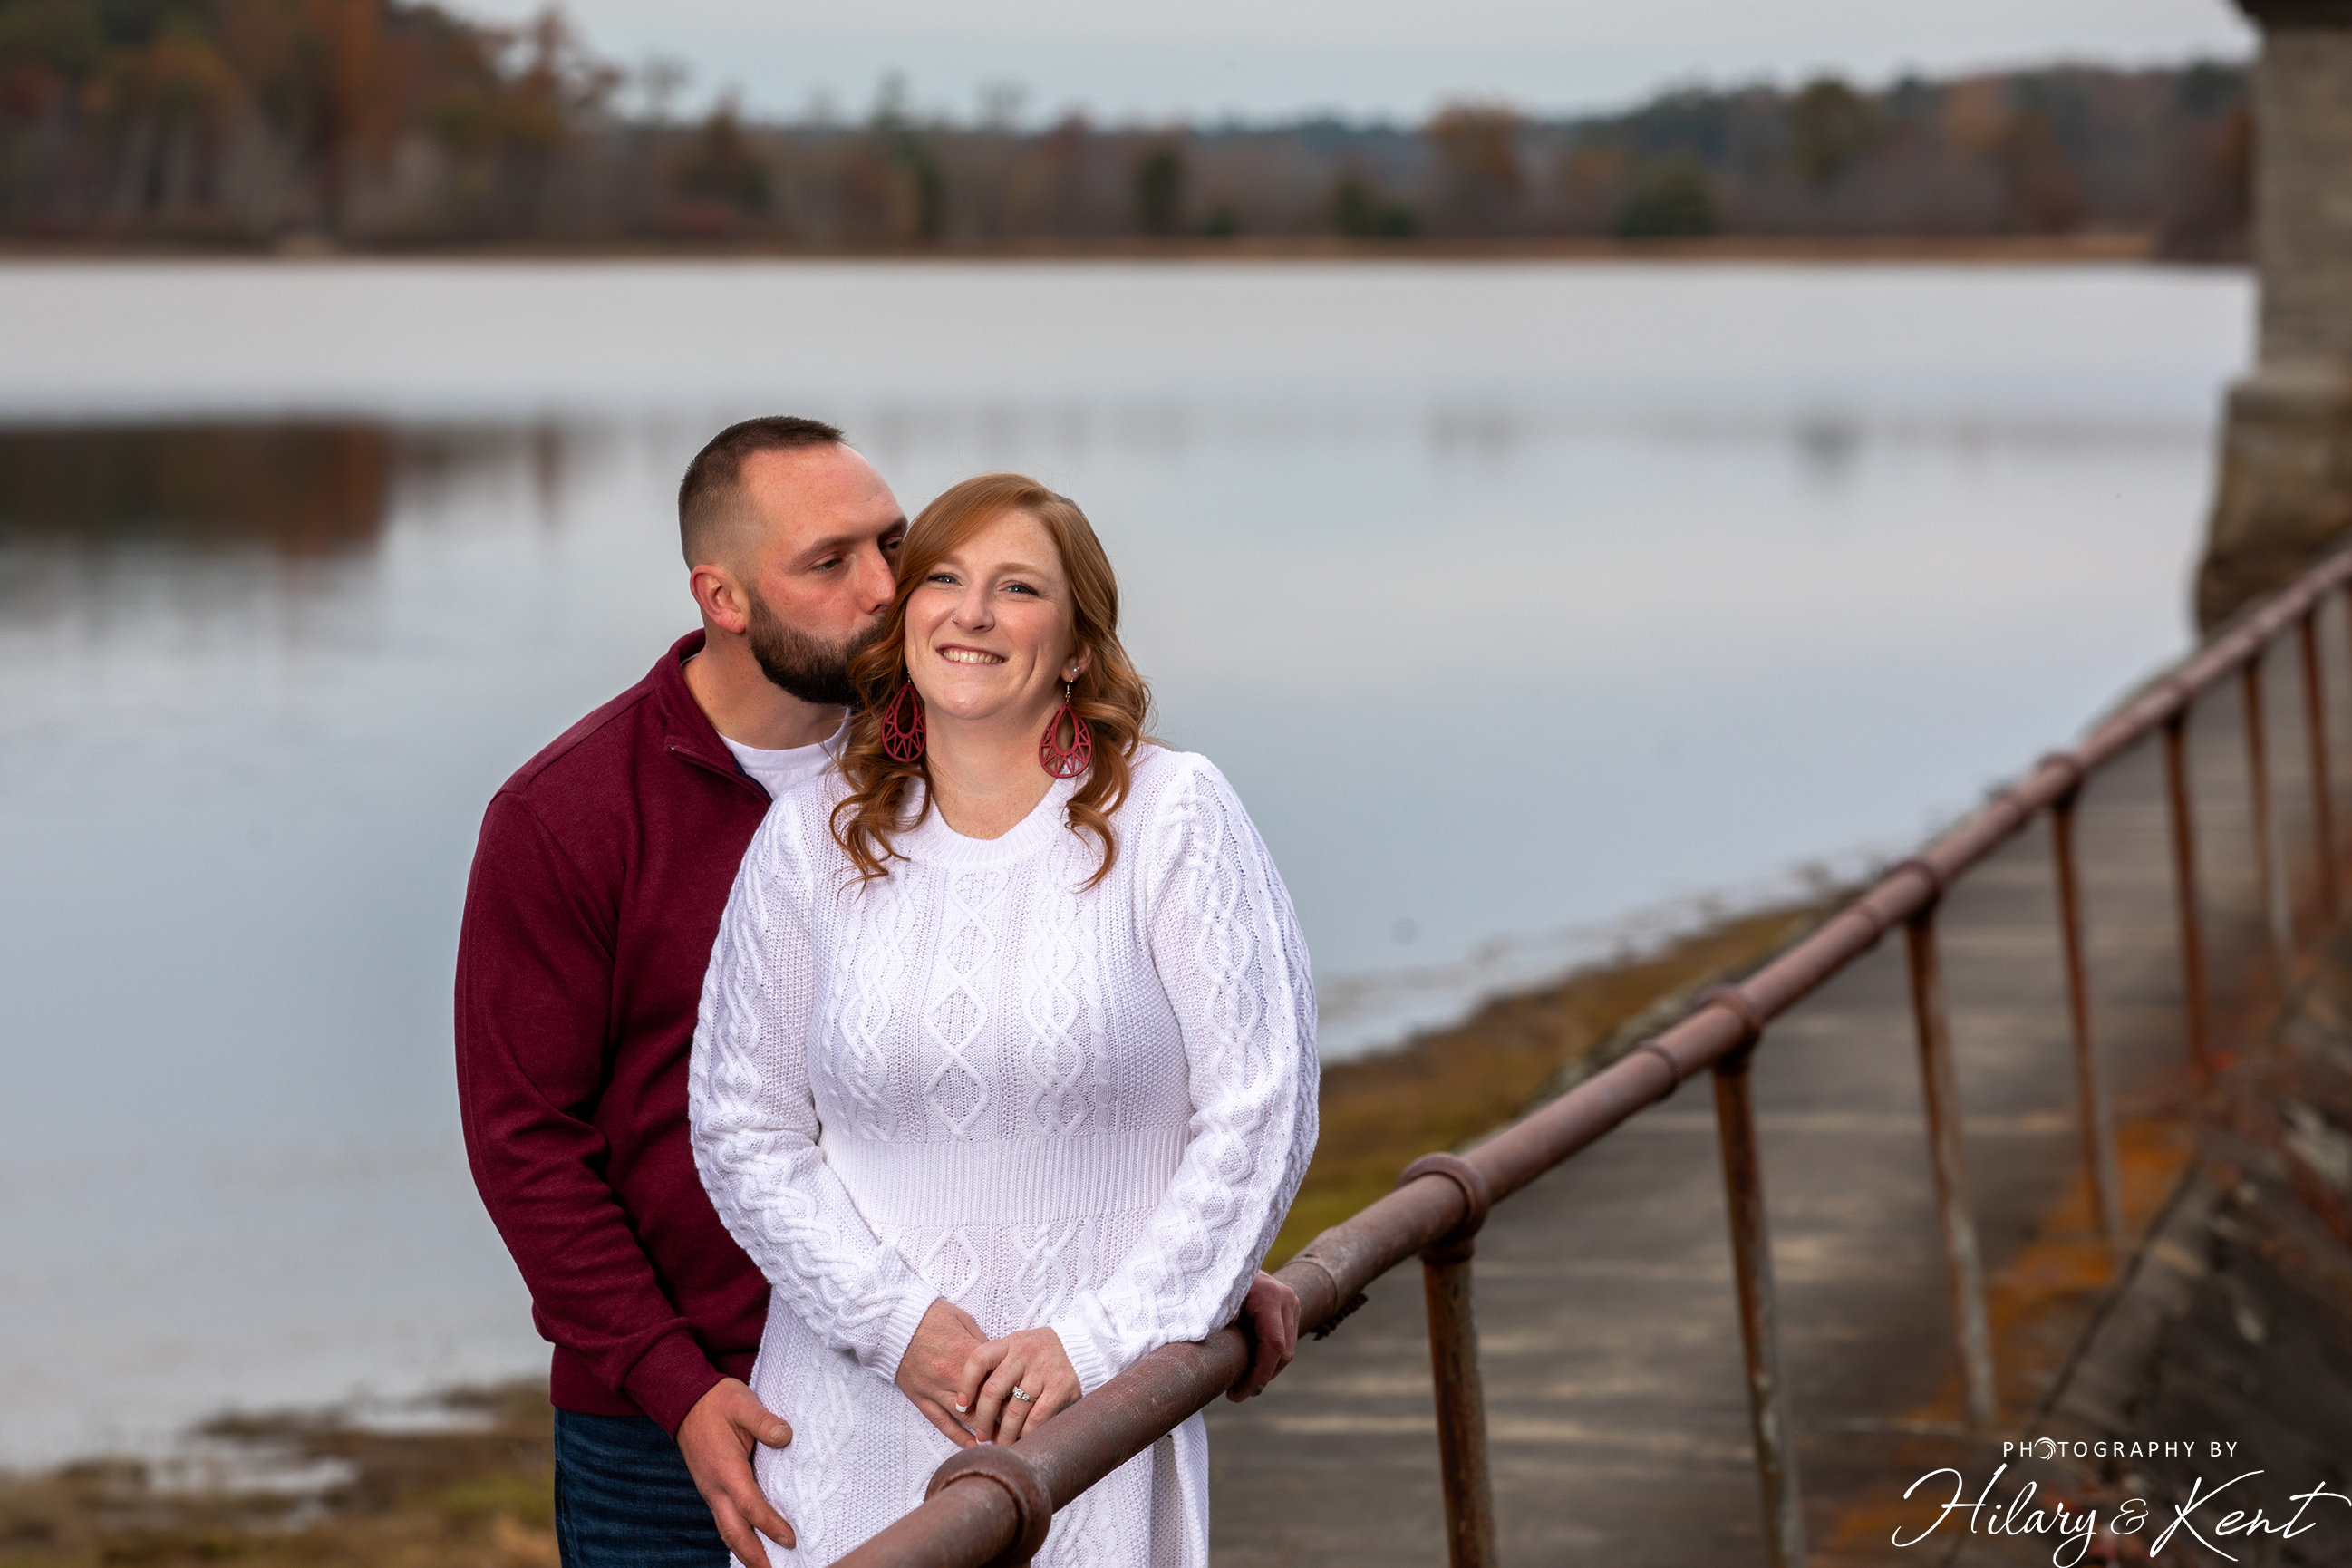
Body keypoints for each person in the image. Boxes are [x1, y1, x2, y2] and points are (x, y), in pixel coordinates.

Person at [457, 421, 1302, 1568]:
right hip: (682, 1405)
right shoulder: (575, 811)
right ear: (724, 596)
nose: (886, 587)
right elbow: (531, 1145)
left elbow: (1169, 1091)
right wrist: (671, 1379)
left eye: (895, 546)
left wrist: (1186, 1277)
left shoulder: (968, 750)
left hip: (1004, 1390)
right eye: (831, 561)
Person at [690, 472, 1320, 1566]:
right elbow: (742, 1124)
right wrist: (897, 1327)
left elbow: (1262, 1108)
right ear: (906, 619)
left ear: (1075, 645)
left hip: (1088, 1421)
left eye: (1019, 587)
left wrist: (1105, 1335)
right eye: (944, 579)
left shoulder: (1171, 816)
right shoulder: (810, 835)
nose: (973, 613)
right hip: (846, 1423)